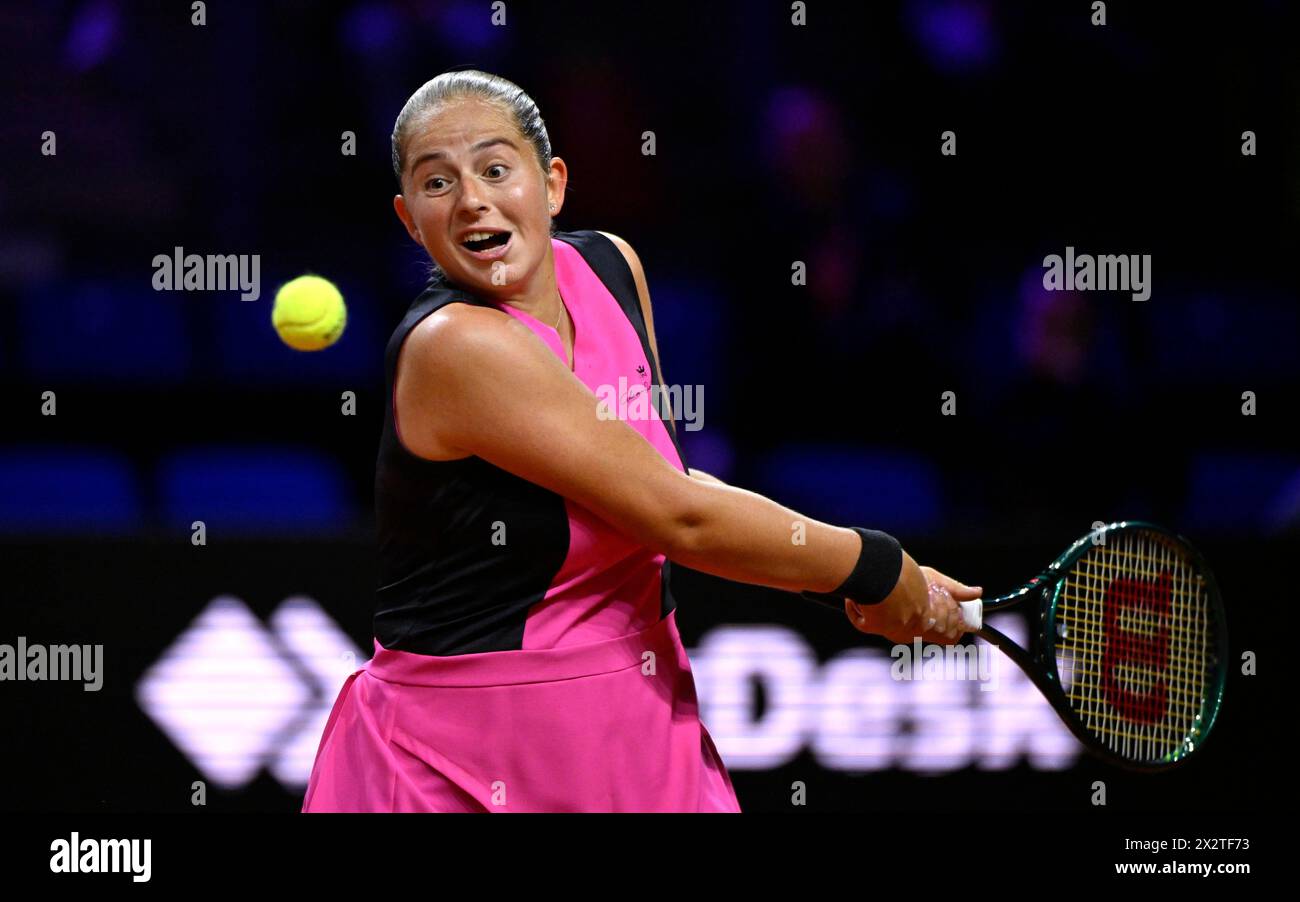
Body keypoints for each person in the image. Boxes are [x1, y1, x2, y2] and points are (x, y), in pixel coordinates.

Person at [301, 69, 981, 813]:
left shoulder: (609, 267)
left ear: (552, 184)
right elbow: (677, 517)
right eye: (438, 184)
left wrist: (849, 582)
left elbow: (669, 482)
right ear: (410, 220)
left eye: (497, 169)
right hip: (464, 748)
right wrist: (874, 566)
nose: (472, 199)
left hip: (643, 715)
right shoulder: (454, 347)